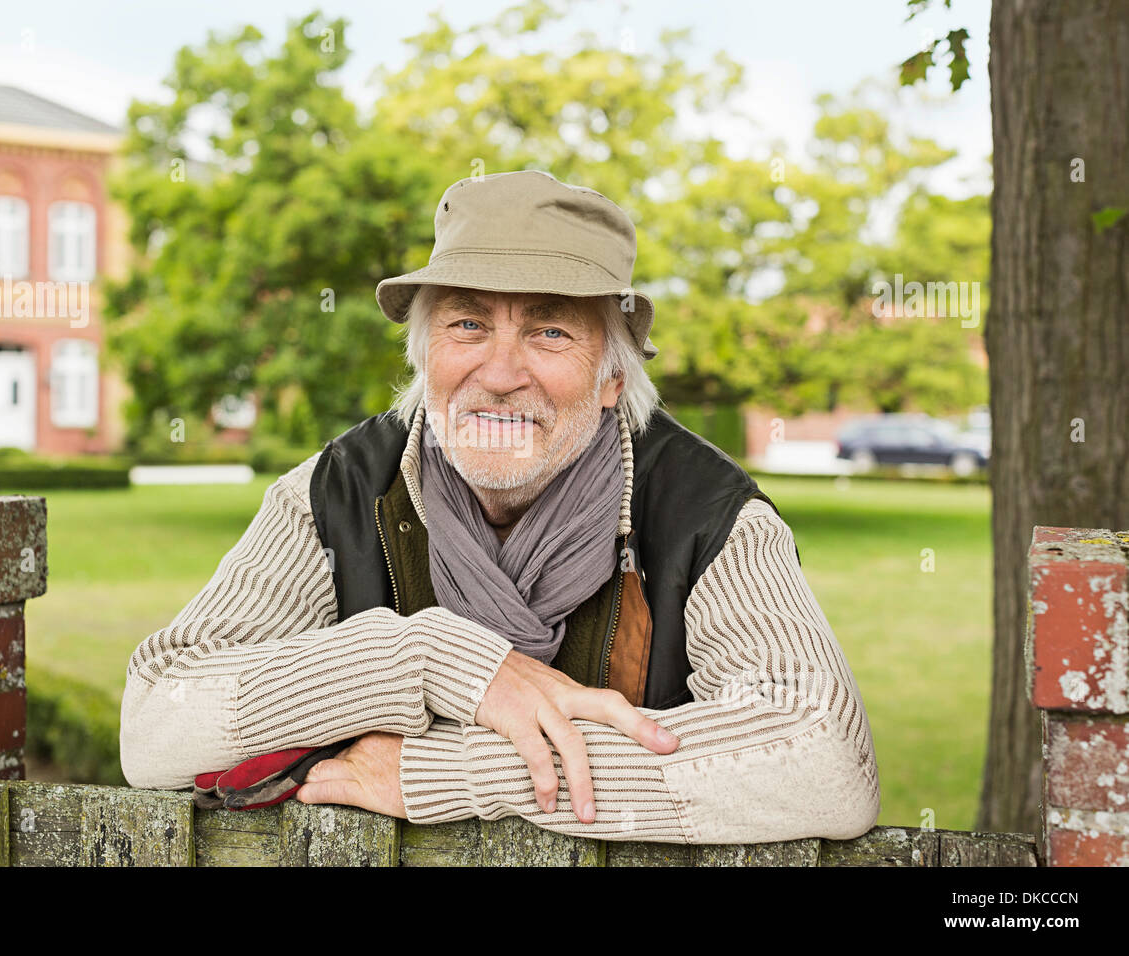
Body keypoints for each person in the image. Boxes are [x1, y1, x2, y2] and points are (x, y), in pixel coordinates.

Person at [119, 170, 880, 844]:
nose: (501, 371)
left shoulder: (705, 516)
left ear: (612, 376)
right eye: (468, 324)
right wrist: (422, 657)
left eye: (550, 329)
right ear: (425, 353)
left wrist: (450, 773)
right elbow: (156, 723)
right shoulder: (336, 494)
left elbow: (822, 756)